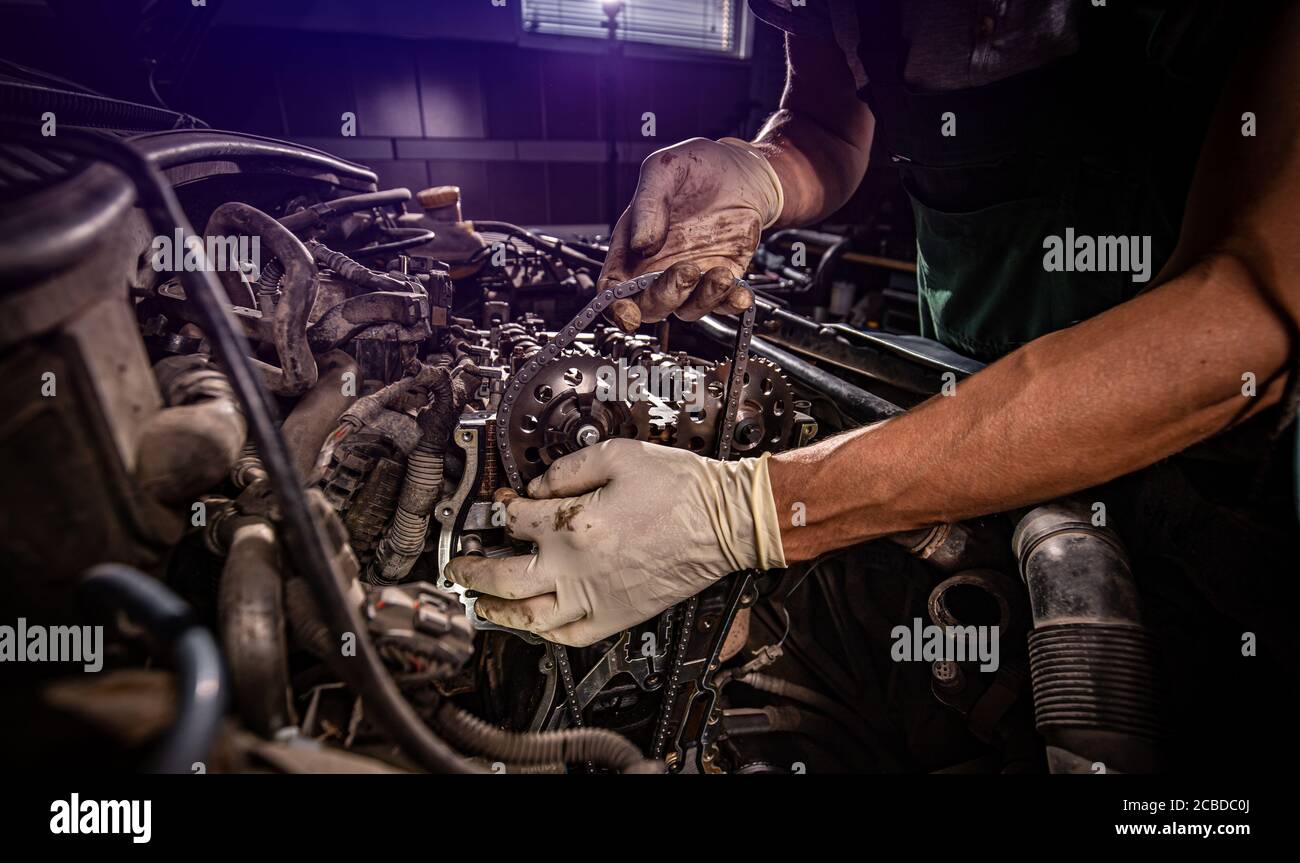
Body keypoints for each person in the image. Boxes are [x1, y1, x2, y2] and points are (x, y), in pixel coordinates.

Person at [447, 0, 1299, 765]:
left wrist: (744, 513)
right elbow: (825, 118)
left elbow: (1244, 316)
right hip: (957, 379)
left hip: (1222, 453)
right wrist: (763, 174)